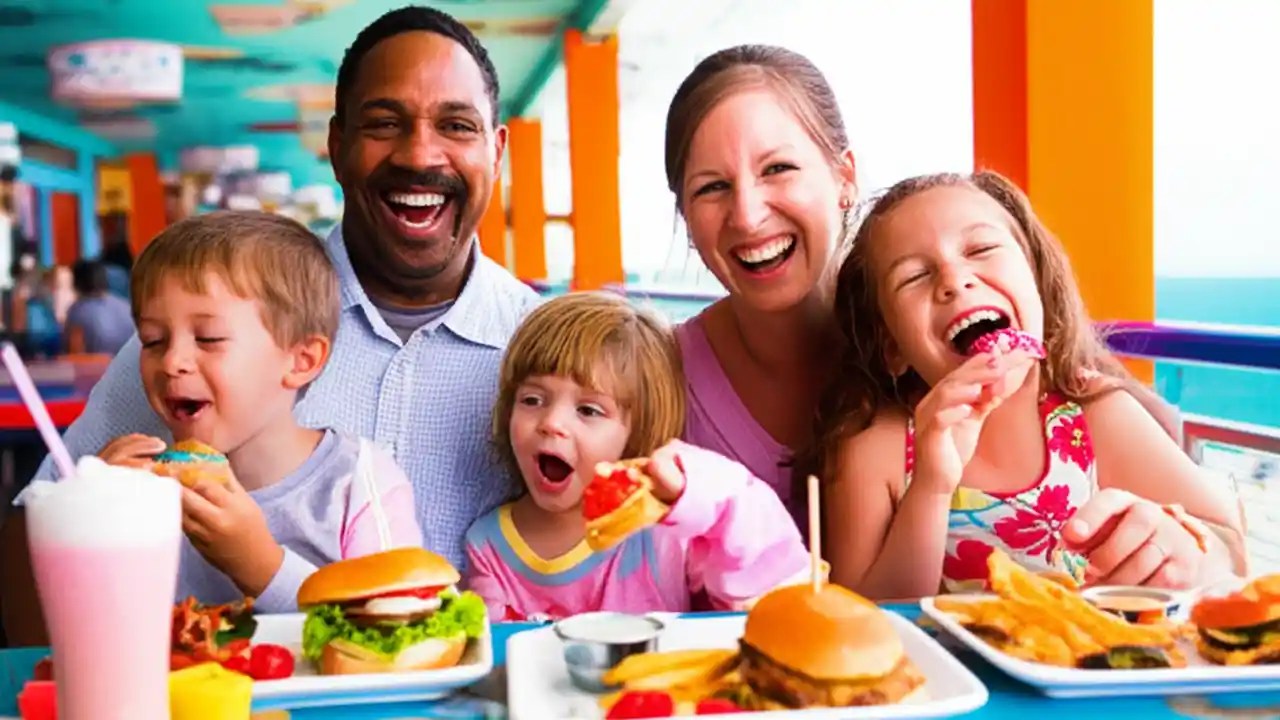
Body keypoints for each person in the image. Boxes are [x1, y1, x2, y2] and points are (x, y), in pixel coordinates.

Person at [23, 6, 538, 572]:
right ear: (337, 147)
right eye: (384, 123)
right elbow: (36, 524)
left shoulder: (549, 352)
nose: (419, 154)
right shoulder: (201, 328)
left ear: (497, 150)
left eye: (457, 125)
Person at [812, 171, 1246, 599]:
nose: (953, 280)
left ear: (1038, 282)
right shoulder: (874, 446)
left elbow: (1229, 546)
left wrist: (1191, 557)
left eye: (980, 249)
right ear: (893, 348)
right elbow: (864, 619)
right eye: (914, 277)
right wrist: (932, 483)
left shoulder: (1094, 415)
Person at [100, 210, 422, 612]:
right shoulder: (139, 485)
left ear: (301, 361)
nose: (171, 361)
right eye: (152, 340)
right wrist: (92, 515)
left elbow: (397, 628)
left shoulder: (357, 481)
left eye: (209, 337)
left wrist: (260, 567)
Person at [462, 293, 812, 621]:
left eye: (588, 410)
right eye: (532, 400)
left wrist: (695, 491)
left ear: (637, 432)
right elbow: (493, 656)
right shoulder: (486, 544)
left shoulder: (666, 534)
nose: (552, 423)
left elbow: (767, 581)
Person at [662, 45, 857, 528]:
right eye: (711, 188)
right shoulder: (656, 385)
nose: (747, 217)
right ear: (687, 219)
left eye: (777, 169)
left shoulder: (924, 352)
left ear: (844, 178)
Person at [64, 259, 134, 356]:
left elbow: (76, 353)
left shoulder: (78, 312)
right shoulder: (127, 307)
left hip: (97, 369)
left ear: (76, 283)